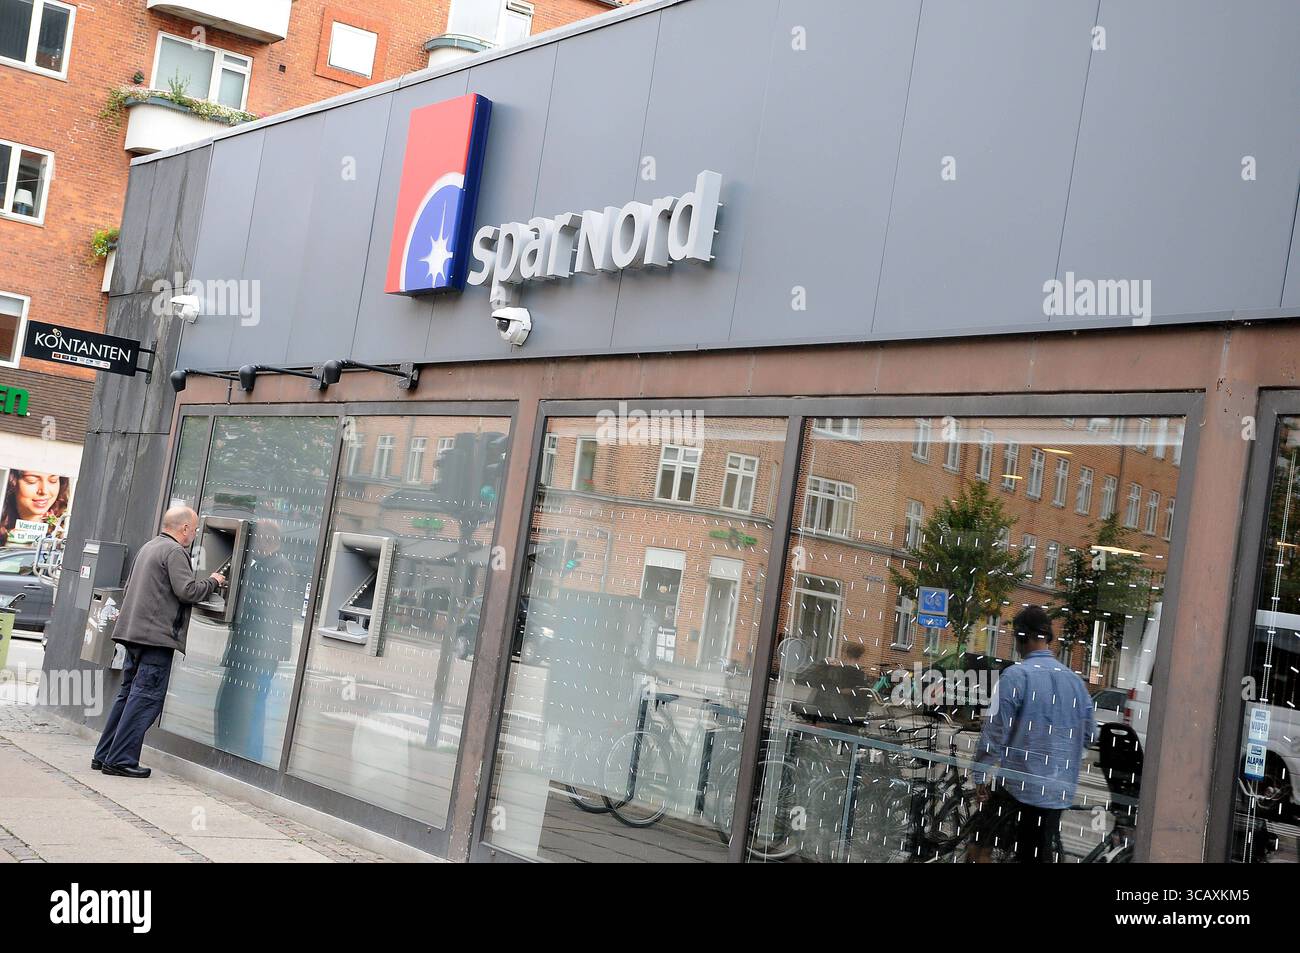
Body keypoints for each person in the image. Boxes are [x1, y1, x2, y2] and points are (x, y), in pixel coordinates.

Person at [92, 506, 226, 778]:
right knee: (145, 698)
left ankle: (104, 755)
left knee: (128, 695)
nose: (196, 533)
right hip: (156, 638)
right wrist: (213, 581)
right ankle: (120, 760)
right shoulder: (175, 552)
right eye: (195, 528)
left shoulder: (149, 547)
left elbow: (130, 589)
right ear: (184, 528)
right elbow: (187, 591)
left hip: (133, 635)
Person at [969, 605, 1094, 862]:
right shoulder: (1075, 682)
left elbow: (995, 730)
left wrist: (980, 774)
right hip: (1057, 792)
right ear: (1047, 638)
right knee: (1036, 852)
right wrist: (1061, 764)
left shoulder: (1016, 676)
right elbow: (1089, 735)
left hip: (1020, 786)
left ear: (1020, 638)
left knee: (981, 839)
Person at [0, 470, 70, 546]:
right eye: (31, 481)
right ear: (12, 482)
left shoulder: (66, 526)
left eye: (53, 480)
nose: (44, 491)